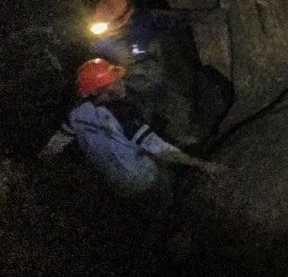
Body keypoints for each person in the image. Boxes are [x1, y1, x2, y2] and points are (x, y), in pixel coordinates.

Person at [41, 59, 223, 196]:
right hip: (142, 178)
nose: (122, 82)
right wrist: (202, 165)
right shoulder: (123, 115)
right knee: (169, 185)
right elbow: (163, 151)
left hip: (110, 180)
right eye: (116, 81)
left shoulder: (76, 113)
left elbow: (58, 140)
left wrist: (41, 161)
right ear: (102, 91)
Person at [87, 0, 197, 141]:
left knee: (174, 105)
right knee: (140, 114)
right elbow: (95, 61)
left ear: (126, 17)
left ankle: (183, 137)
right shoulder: (99, 39)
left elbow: (178, 21)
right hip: (127, 84)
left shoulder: (144, 22)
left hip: (153, 73)